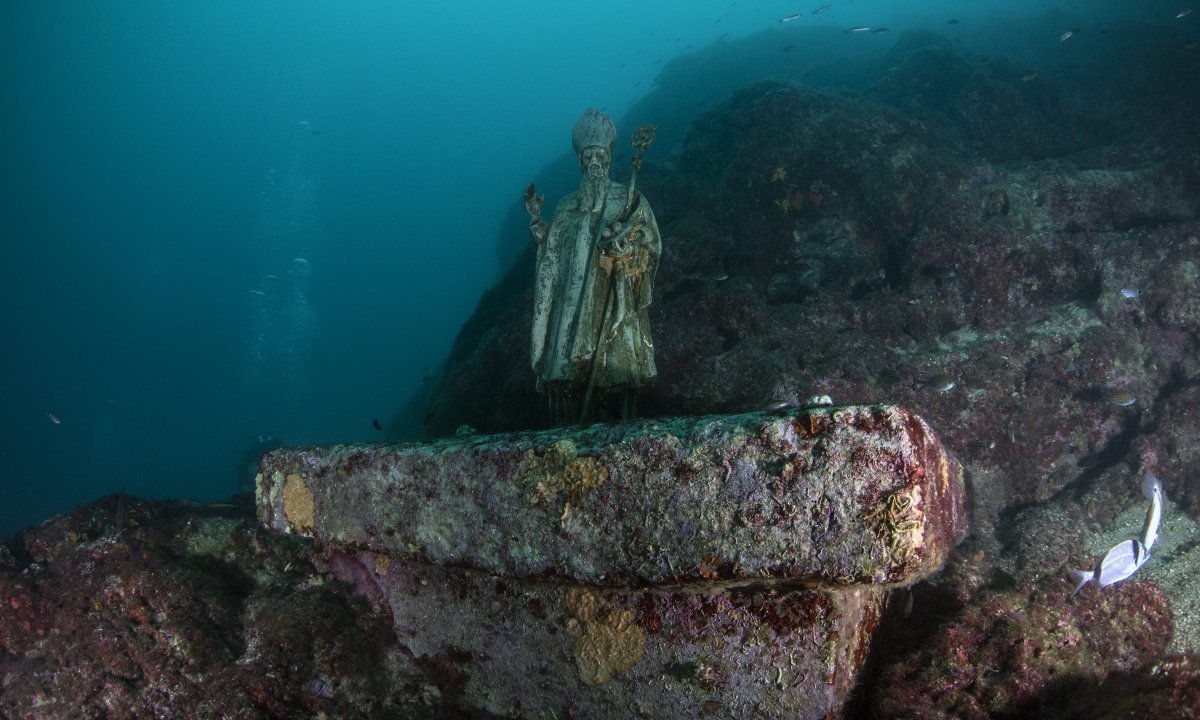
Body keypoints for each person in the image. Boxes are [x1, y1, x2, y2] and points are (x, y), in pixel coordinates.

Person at [525, 109, 662, 424]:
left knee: (613, 372)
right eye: (588, 157)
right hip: (571, 305)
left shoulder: (627, 200)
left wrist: (625, 245)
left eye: (600, 155)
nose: (594, 162)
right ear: (581, 163)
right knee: (569, 371)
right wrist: (537, 223)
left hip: (611, 297)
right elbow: (552, 252)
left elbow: (650, 242)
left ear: (609, 158)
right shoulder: (566, 205)